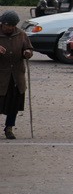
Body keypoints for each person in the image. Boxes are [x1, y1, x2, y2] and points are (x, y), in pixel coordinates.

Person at [0, 11, 34, 140]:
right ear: (2, 23)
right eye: (7, 25)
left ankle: (9, 128)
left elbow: (29, 49)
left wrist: (27, 52)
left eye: (12, 25)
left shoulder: (21, 34)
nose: (10, 28)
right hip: (1, 76)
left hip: (16, 76)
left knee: (13, 104)